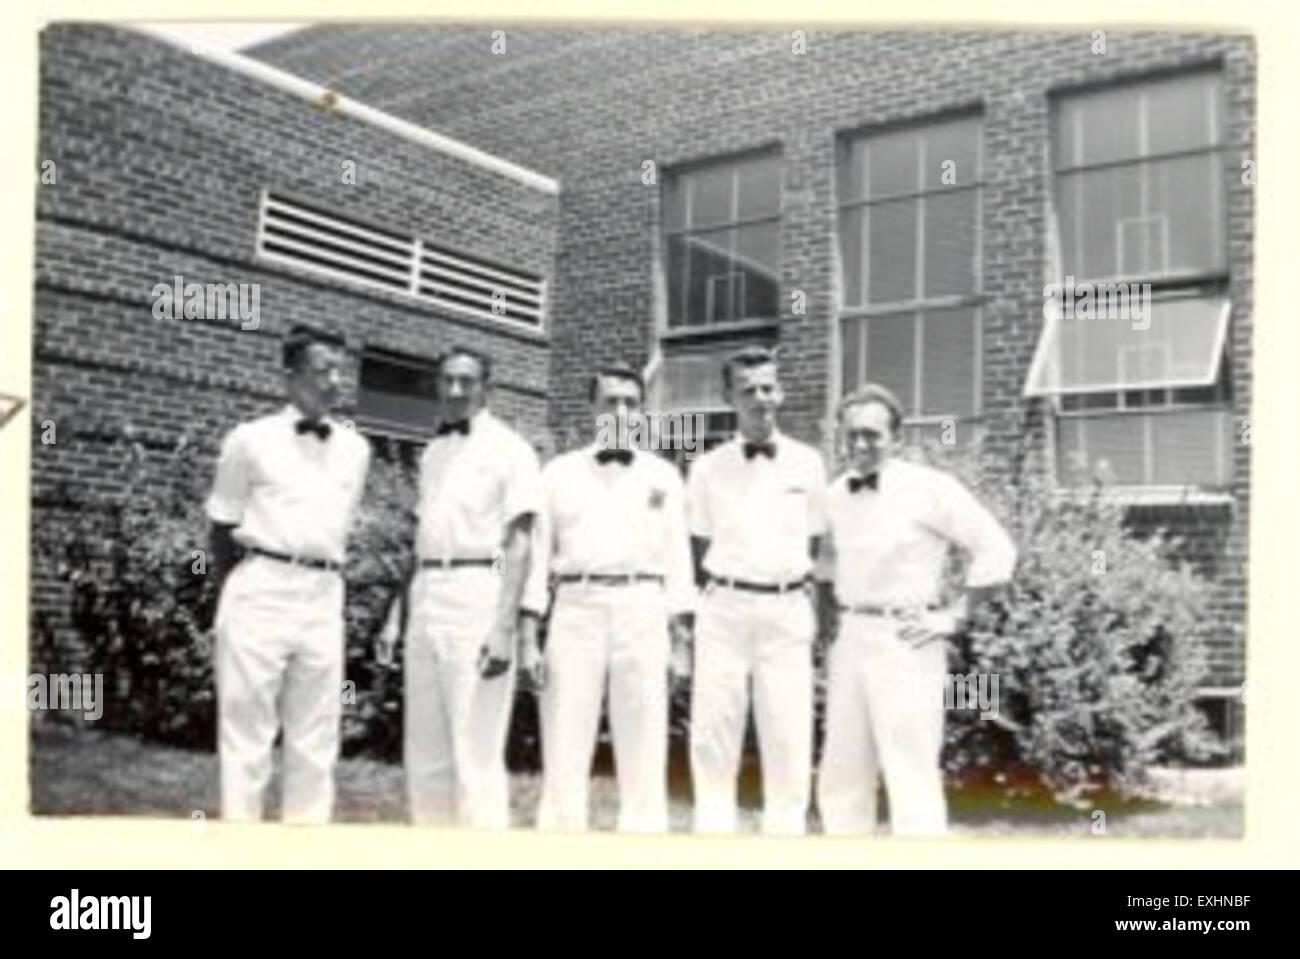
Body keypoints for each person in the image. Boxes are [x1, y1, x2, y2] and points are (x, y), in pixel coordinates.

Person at [815, 383, 1016, 837]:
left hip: (907, 642)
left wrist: (952, 616)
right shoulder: (834, 495)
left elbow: (996, 549)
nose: (860, 445)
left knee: (910, 771)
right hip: (850, 641)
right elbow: (826, 563)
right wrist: (827, 617)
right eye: (852, 435)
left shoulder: (930, 489)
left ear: (896, 438)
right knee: (842, 772)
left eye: (872, 434)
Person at [205, 324, 371, 823]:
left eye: (341, 370)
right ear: (290, 376)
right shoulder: (249, 440)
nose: (335, 381)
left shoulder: (355, 449)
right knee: (247, 735)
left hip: (324, 596)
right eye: (323, 370)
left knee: (316, 738)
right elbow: (221, 527)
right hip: (261, 588)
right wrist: (237, 593)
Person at [521, 362, 693, 833]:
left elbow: (678, 562)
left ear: (643, 411)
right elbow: (537, 558)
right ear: (592, 408)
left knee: (644, 740)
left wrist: (681, 642)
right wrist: (528, 635)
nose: (620, 411)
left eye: (631, 403)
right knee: (564, 739)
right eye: (610, 401)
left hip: (643, 610)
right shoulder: (557, 474)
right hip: (576, 609)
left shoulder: (665, 476)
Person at [379, 346, 542, 829]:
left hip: (478, 597)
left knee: (475, 752)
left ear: (485, 386)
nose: (454, 391)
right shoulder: (433, 453)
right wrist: (395, 615)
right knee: (425, 752)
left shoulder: (512, 449)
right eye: (446, 380)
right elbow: (422, 539)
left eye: (466, 381)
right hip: (427, 596)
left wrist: (504, 628)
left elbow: (519, 544)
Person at [685, 346, 831, 836]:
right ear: (729, 397)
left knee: (788, 733)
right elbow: (697, 545)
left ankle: (784, 840)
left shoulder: (809, 464)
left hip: (786, 609)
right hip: (724, 609)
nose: (760, 398)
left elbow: (815, 541)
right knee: (713, 733)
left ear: (781, 392)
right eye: (748, 390)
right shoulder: (706, 468)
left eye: (768, 387)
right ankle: (713, 841)